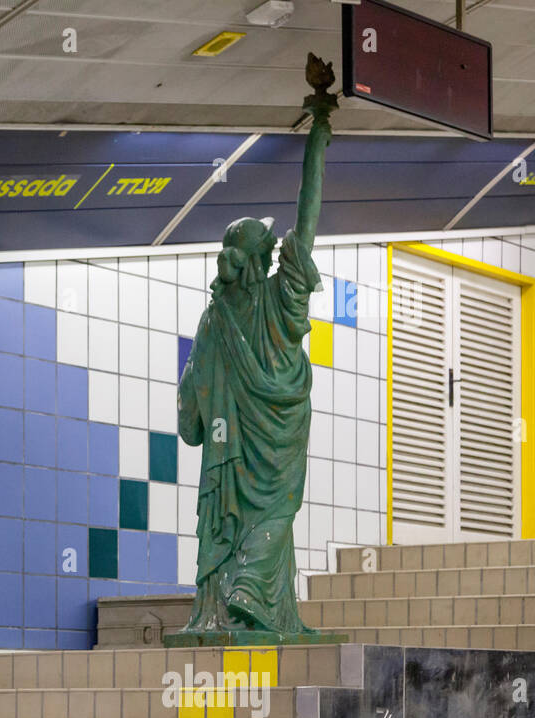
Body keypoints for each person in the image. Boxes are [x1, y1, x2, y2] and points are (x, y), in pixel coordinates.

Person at [175, 55, 337, 637]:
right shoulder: (276, 298)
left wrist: (206, 409)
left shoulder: (213, 320)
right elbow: (308, 213)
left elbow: (191, 412)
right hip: (281, 433)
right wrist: (319, 131)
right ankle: (249, 593)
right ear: (264, 259)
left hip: (233, 448)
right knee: (277, 509)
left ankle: (240, 601)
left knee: (245, 512)